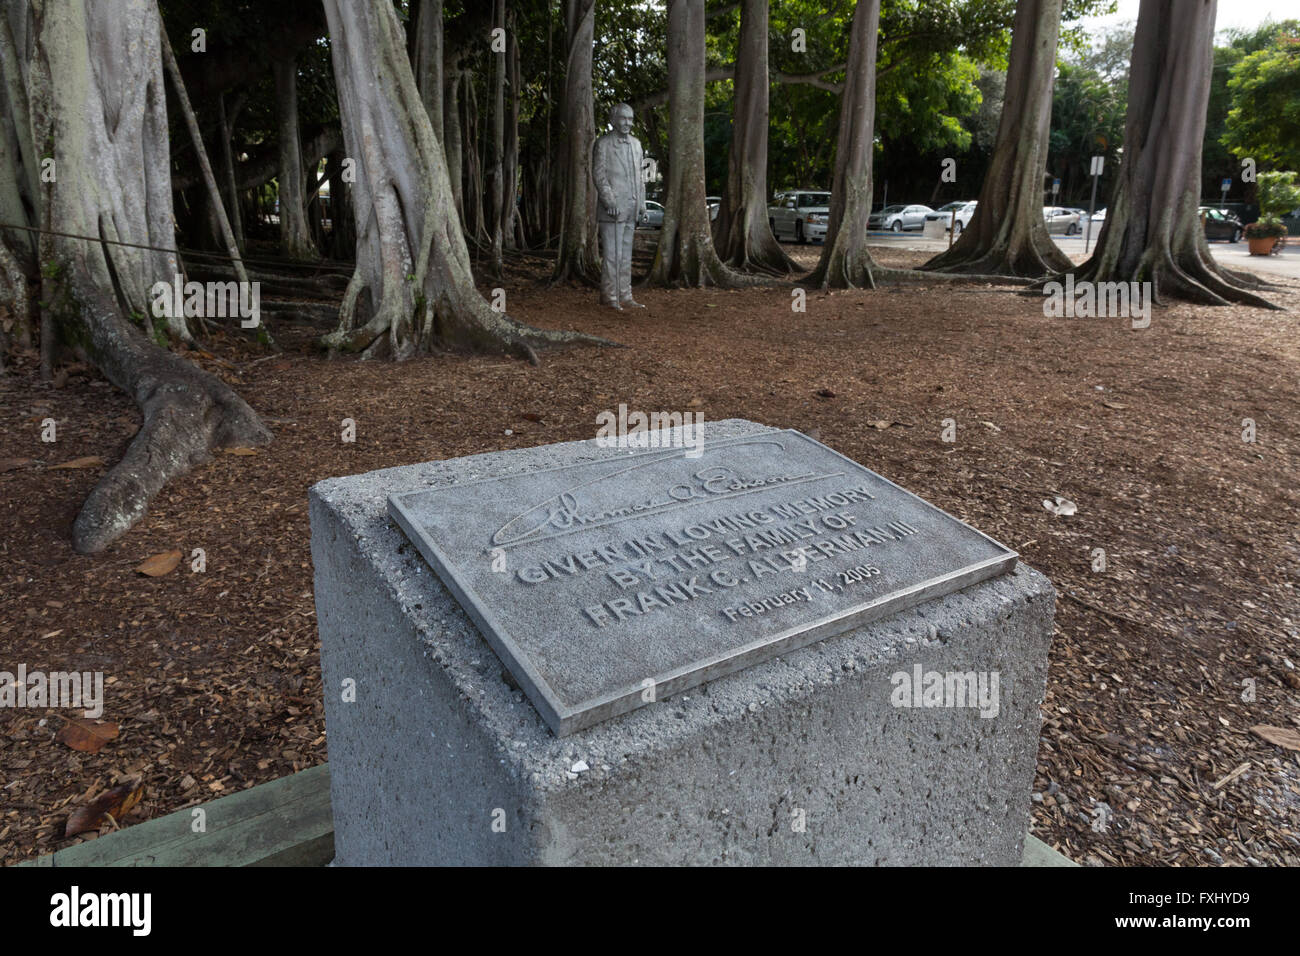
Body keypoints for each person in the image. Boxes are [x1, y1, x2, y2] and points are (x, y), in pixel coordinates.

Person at [593, 103, 647, 310]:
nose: (627, 123)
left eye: (630, 119)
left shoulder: (636, 144)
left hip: (631, 206)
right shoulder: (603, 144)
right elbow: (599, 175)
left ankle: (625, 294)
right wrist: (609, 201)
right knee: (612, 255)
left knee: (626, 255)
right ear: (613, 120)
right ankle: (609, 296)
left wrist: (641, 203)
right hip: (613, 209)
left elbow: (640, 177)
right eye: (623, 119)